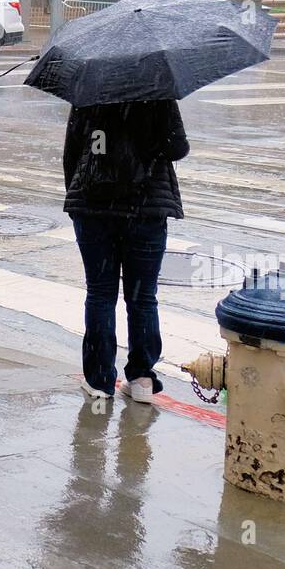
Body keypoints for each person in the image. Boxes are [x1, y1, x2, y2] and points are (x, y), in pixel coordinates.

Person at [63, 99, 190, 404]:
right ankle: (142, 378)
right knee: (142, 296)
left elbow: (72, 152)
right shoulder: (158, 92)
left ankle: (100, 381)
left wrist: (78, 193)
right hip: (145, 208)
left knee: (100, 293)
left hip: (94, 208)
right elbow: (178, 149)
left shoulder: (90, 92)